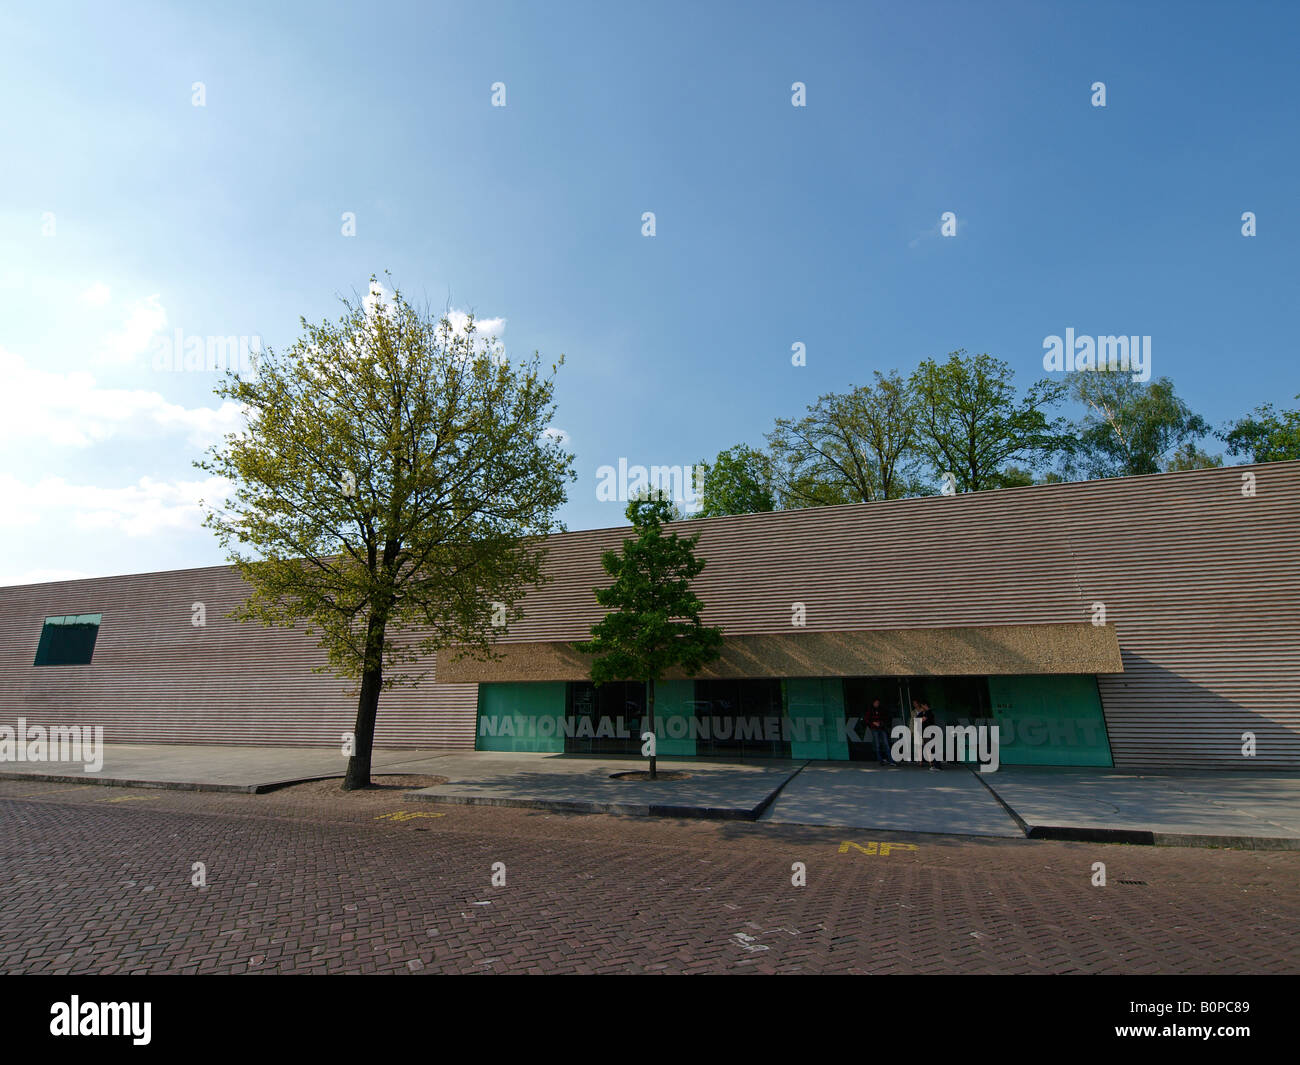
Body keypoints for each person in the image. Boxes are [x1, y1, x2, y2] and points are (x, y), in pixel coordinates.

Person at [866, 698, 895, 766]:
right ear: (873, 703)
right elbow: (867, 719)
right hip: (874, 729)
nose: (877, 704)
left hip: (882, 728)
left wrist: (881, 723)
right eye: (876, 703)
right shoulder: (870, 710)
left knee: (886, 744)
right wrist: (873, 723)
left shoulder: (881, 709)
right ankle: (880, 760)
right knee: (877, 745)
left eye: (878, 703)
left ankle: (890, 760)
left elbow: (886, 717)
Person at [919, 700, 943, 771]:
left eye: (922, 706)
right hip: (929, 733)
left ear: (925, 705)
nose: (921, 707)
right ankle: (936, 765)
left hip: (930, 733)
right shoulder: (927, 712)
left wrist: (921, 714)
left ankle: (937, 766)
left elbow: (921, 720)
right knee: (931, 748)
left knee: (933, 748)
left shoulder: (928, 712)